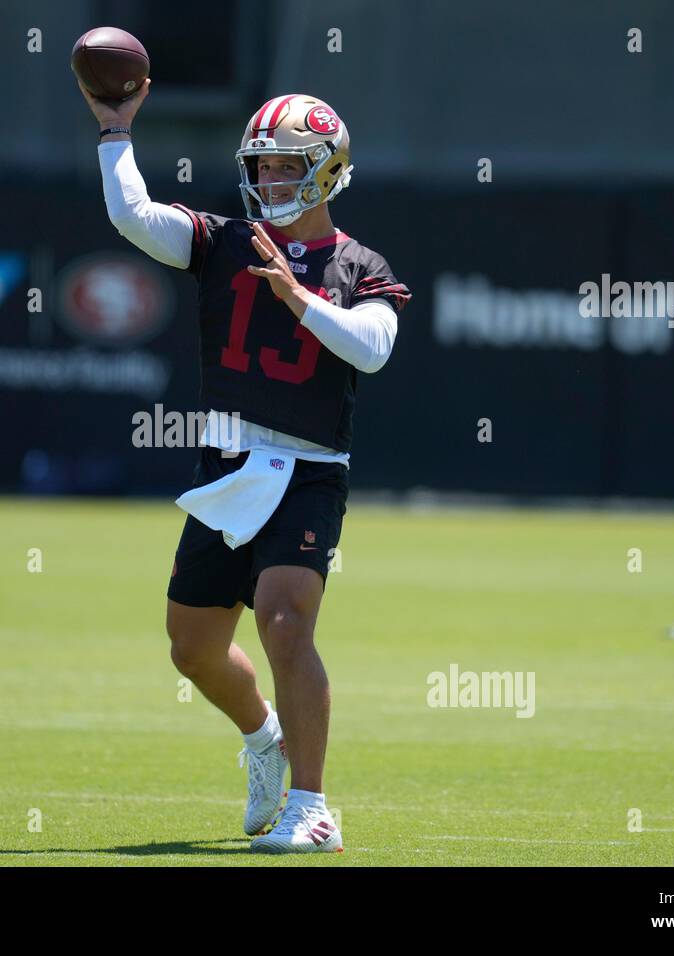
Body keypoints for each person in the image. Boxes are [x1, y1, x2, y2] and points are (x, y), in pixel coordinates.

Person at [81, 82, 409, 852]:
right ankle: (265, 739)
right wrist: (114, 131)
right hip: (228, 465)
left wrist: (296, 295)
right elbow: (132, 215)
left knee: (284, 622)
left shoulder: (359, 263)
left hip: (309, 467)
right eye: (260, 167)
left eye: (288, 165)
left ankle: (313, 806)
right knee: (190, 648)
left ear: (328, 169)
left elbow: (373, 348)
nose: (270, 182)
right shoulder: (223, 239)